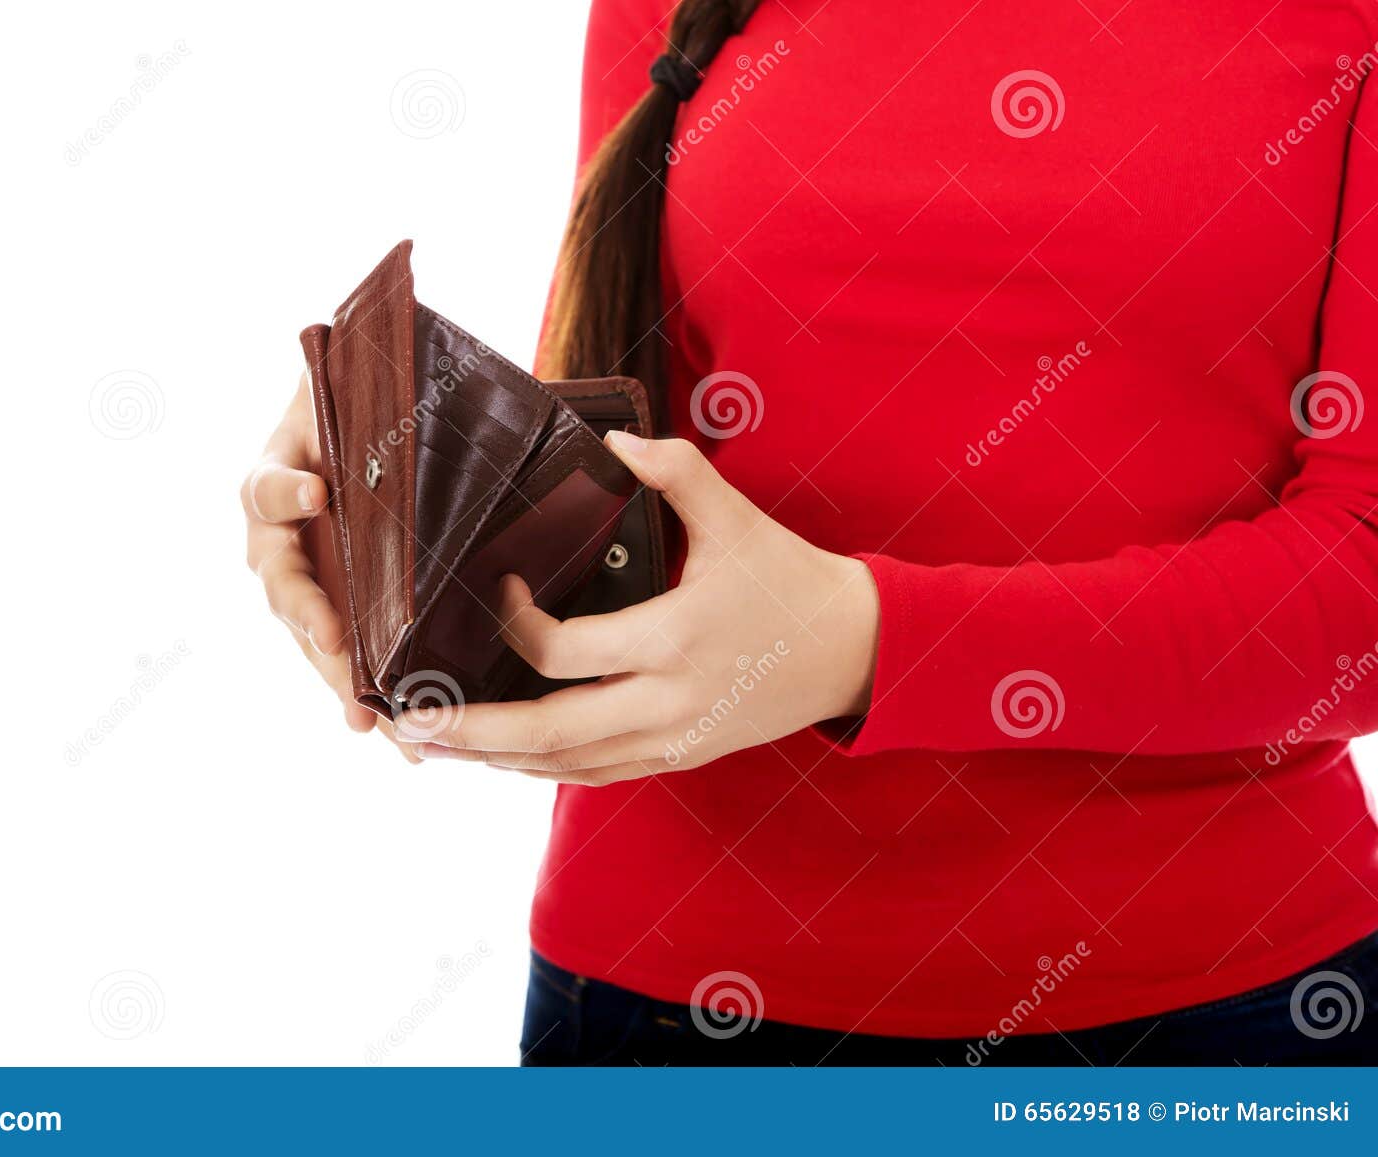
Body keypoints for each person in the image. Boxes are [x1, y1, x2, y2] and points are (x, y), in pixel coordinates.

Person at [244, 0, 1378, 1064]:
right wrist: (403, 462)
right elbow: (625, 444)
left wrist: (866, 641)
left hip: (1221, 1009)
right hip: (659, 998)